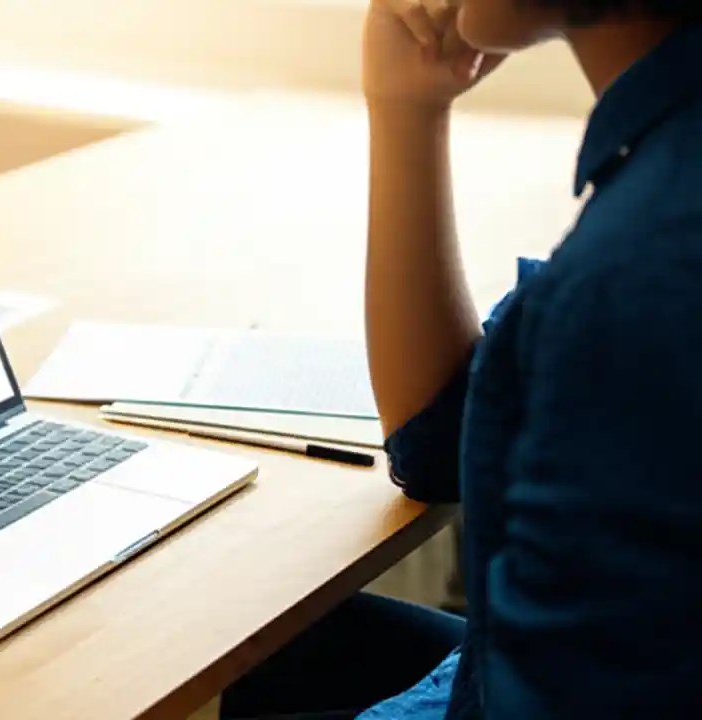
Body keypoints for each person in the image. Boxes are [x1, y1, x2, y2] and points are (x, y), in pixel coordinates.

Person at [221, 0, 702, 717]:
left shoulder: (633, 279)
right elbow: (447, 444)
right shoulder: (664, 159)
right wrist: (407, 109)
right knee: (290, 654)